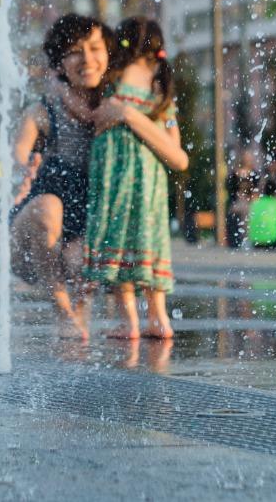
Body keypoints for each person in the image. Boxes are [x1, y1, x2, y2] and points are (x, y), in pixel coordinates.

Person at [84, 17, 189, 341]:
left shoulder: (112, 80)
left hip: (113, 173)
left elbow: (95, 118)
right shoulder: (158, 87)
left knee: (117, 239)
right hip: (148, 179)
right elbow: (176, 146)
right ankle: (159, 318)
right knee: (148, 239)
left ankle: (128, 321)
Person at [10, 14, 110, 339]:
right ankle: (63, 311)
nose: (88, 59)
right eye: (75, 52)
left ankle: (79, 311)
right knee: (48, 206)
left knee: (85, 250)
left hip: (80, 238)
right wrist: (22, 164)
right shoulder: (45, 110)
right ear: (60, 63)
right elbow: (19, 147)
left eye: (95, 48)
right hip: (31, 239)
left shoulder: (117, 107)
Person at [225, 148, 259, 248]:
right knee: (242, 209)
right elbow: (230, 191)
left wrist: (250, 198)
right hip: (237, 202)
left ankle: (246, 239)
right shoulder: (234, 174)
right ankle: (243, 239)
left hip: (250, 202)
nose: (247, 159)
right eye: (245, 157)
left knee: (247, 209)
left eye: (249, 157)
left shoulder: (254, 174)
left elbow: (256, 192)